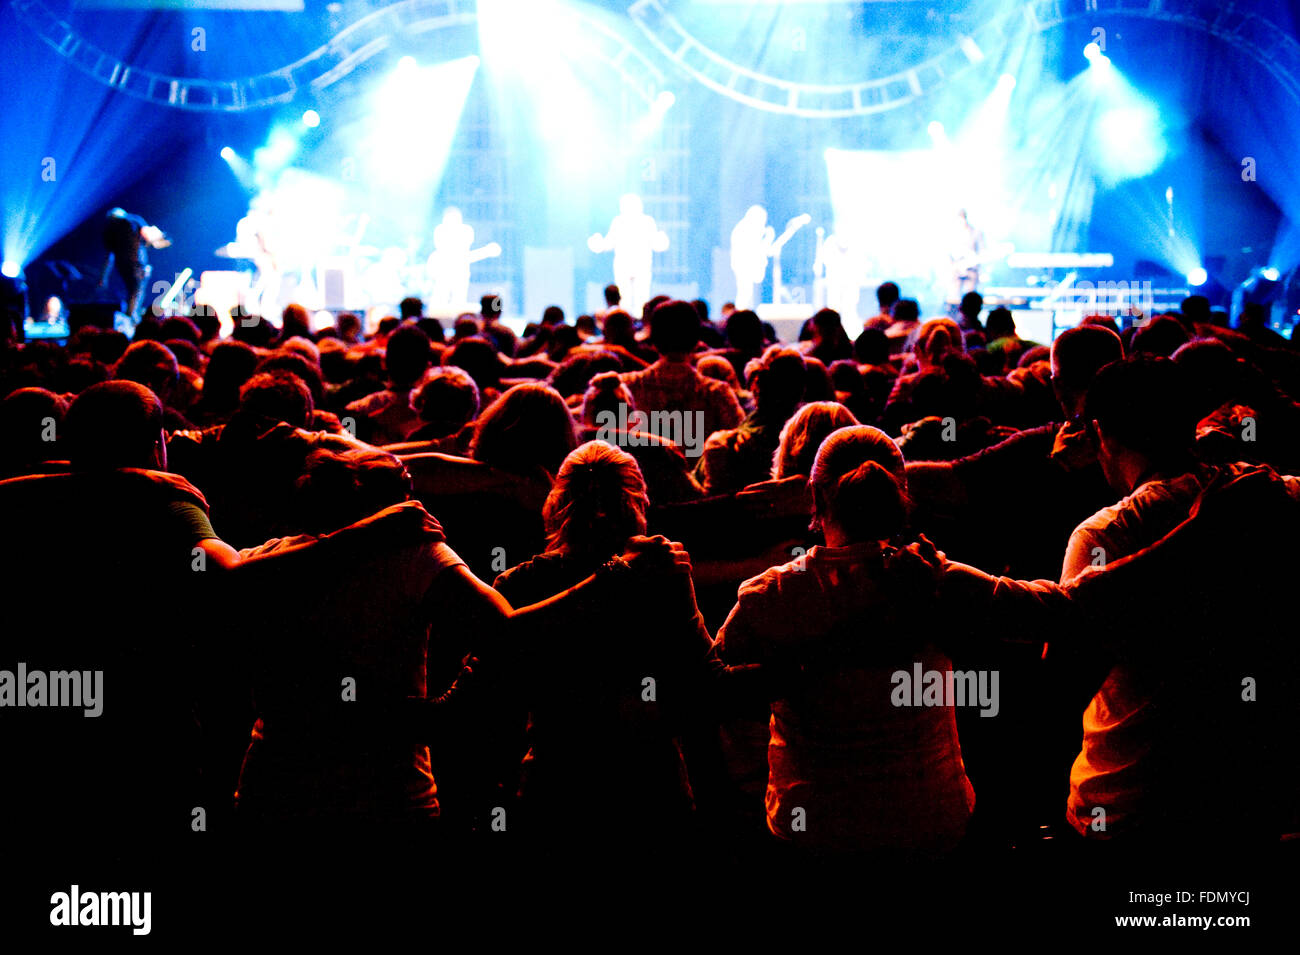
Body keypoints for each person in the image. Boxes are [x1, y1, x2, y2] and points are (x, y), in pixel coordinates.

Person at [716, 426, 976, 854]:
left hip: (815, 827)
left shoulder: (769, 595)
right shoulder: (937, 579)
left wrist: (756, 781)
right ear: (902, 492)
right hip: (931, 818)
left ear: (815, 499)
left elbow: (717, 696)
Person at [492, 441, 726, 842]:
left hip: (556, 776)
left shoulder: (520, 584)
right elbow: (704, 684)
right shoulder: (663, 574)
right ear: (639, 502)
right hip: (649, 781)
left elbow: (499, 702)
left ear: (558, 502)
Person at [618, 300, 744, 447]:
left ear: (654, 339)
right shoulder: (716, 393)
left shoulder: (626, 388)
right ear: (696, 340)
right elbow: (739, 446)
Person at [344, 323, 433, 445]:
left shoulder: (355, 412)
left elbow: (346, 452)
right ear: (427, 367)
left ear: (383, 363)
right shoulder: (439, 414)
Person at [588, 194, 668, 320]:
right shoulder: (619, 222)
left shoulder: (646, 221)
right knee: (624, 297)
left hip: (641, 264)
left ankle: (639, 319)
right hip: (623, 265)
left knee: (642, 296)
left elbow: (656, 243)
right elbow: (609, 243)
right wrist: (599, 245)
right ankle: (624, 319)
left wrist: (662, 241)